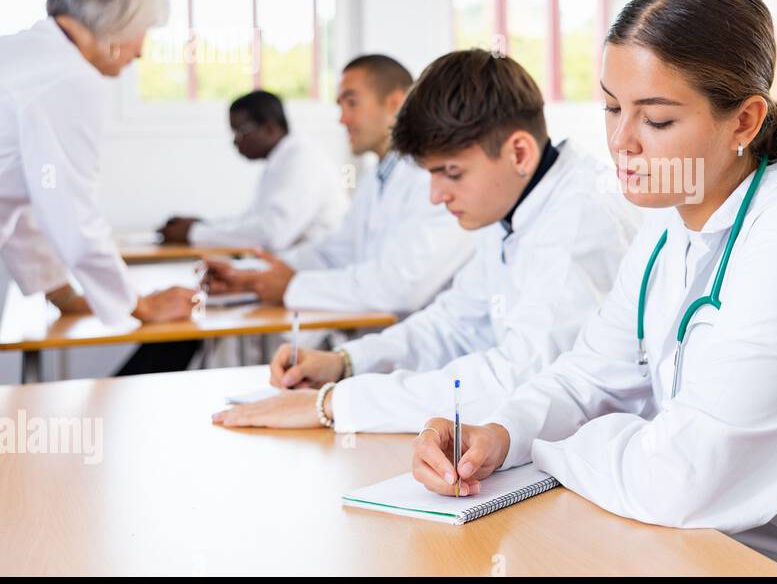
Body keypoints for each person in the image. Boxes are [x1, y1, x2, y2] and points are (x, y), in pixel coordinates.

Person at [412, 0, 777, 577]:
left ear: (745, 122)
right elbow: (589, 375)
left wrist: (542, 449)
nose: (622, 142)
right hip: (726, 550)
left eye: (657, 121)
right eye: (612, 108)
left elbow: (677, 482)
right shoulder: (669, 223)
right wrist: (500, 435)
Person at [211, 49, 639, 432]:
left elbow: (519, 380)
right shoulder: (511, 204)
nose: (436, 195)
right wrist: (346, 363)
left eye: (450, 173)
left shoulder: (577, 222)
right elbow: (454, 321)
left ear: (520, 154)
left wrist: (333, 404)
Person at [0, 0, 195, 329]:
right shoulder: (69, 77)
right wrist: (140, 306)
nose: (140, 52)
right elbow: (74, 215)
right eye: (144, 32)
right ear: (118, 20)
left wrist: (64, 294)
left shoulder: (22, 55)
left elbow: (21, 201)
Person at [201, 54, 473, 313]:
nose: (342, 119)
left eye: (351, 103)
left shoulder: (433, 180)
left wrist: (292, 286)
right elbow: (337, 251)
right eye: (340, 106)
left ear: (396, 103)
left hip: (421, 351)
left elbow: (401, 287)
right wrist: (249, 274)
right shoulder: (375, 178)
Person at [158, 90, 346, 251]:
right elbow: (251, 221)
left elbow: (273, 234)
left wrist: (194, 233)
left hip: (311, 272)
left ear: (270, 128)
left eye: (240, 132)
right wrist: (204, 225)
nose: (235, 141)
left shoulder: (303, 161)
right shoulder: (280, 161)